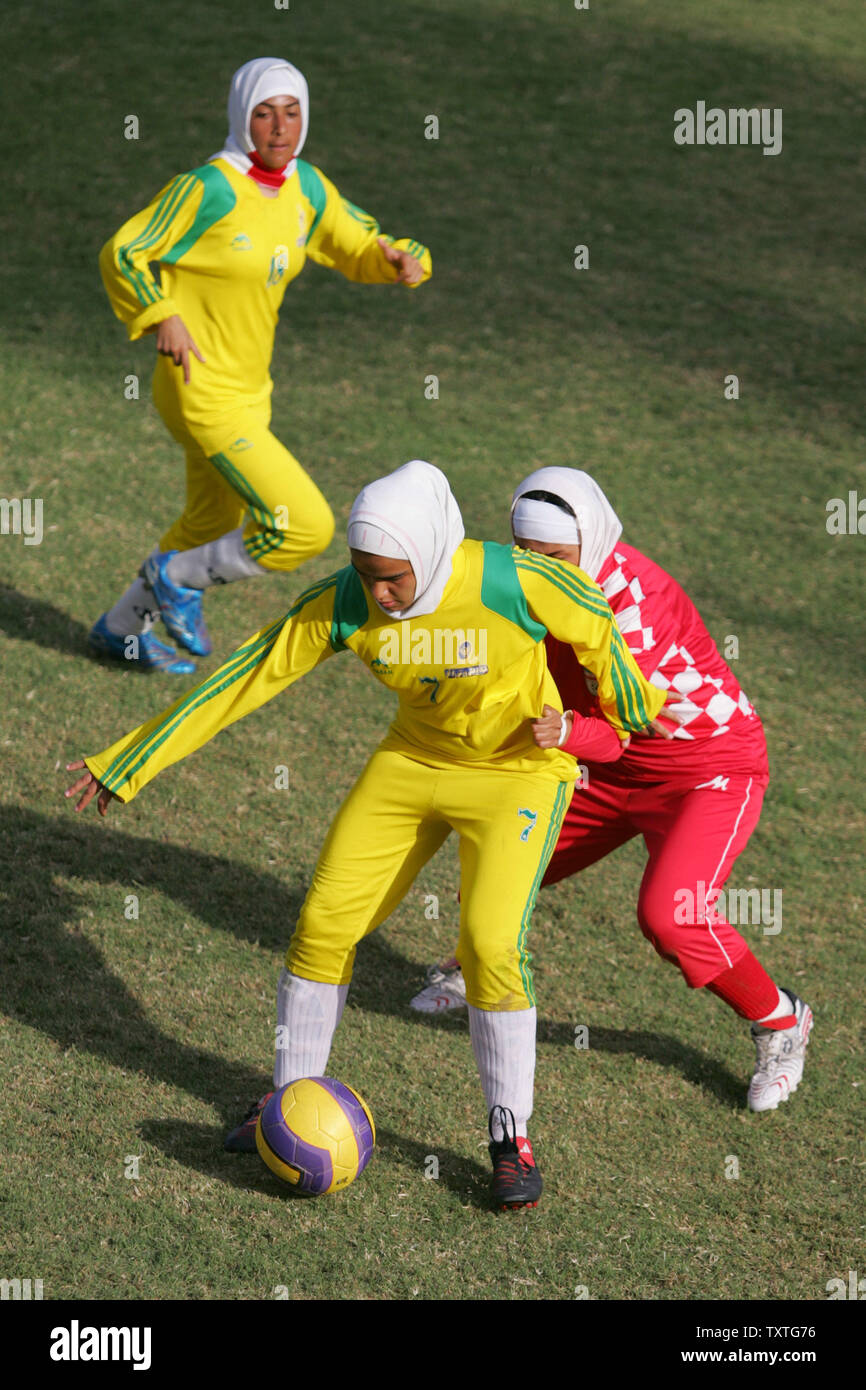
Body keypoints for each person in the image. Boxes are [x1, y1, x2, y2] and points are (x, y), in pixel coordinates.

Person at [65, 460, 670, 1210]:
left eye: (392, 577)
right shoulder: (347, 602)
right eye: (365, 574)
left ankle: (509, 1136)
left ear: (435, 550)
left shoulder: (515, 582)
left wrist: (622, 709)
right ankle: (288, 1104)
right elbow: (246, 676)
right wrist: (129, 760)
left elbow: (600, 632)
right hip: (412, 763)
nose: (377, 594)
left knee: (488, 944)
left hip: (518, 773)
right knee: (323, 926)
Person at [409, 467, 813, 1114]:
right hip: (608, 761)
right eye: (527, 554)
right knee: (496, 853)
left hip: (705, 768)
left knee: (672, 916)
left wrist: (562, 727)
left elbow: (624, 723)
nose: (541, 570)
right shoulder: (520, 572)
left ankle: (782, 1022)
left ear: (591, 542)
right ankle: (473, 963)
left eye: (557, 558)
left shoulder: (633, 605)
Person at [91, 56, 431, 675]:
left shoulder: (306, 187)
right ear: (241, 118)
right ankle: (175, 578)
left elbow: (357, 241)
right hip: (199, 387)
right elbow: (125, 250)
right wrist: (161, 310)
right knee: (302, 525)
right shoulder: (209, 188)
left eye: (292, 112)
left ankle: (121, 630)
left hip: (252, 390)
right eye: (265, 113)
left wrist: (401, 258)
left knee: (209, 519)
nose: (280, 128)